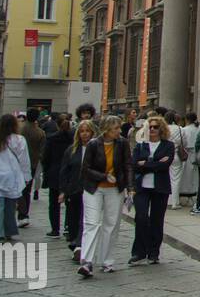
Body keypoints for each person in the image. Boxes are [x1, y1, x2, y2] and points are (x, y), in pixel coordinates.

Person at [79, 115, 132, 278]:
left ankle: (107, 260)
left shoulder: (122, 143)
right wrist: (103, 176)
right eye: (116, 128)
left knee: (111, 224)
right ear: (107, 130)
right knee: (92, 223)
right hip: (93, 188)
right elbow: (85, 168)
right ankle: (87, 261)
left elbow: (128, 165)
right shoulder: (94, 144)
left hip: (115, 188)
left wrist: (130, 188)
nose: (119, 131)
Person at [129, 115, 175, 266]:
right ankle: (139, 252)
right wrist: (155, 162)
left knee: (157, 220)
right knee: (141, 218)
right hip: (141, 187)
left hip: (160, 188)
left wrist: (146, 163)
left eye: (156, 127)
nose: (153, 129)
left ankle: (154, 252)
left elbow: (165, 165)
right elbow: (135, 165)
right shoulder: (140, 145)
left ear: (161, 129)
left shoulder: (168, 145)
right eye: (150, 127)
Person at [0, 114, 30, 243]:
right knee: (10, 207)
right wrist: (26, 176)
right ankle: (8, 231)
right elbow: (24, 160)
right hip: (12, 176)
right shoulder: (19, 139)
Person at [59, 119, 96, 260]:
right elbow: (64, 170)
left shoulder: (97, 148)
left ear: (92, 132)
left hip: (91, 189)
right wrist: (62, 190)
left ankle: (81, 246)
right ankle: (75, 242)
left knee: (85, 218)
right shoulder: (72, 150)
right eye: (82, 131)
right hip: (74, 189)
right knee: (73, 219)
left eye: (87, 131)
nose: (84, 134)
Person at [41, 115, 73, 238]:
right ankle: (68, 227)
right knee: (70, 203)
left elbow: (45, 158)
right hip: (70, 173)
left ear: (56, 125)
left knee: (54, 203)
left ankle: (55, 229)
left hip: (55, 172)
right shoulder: (73, 138)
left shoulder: (51, 138)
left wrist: (46, 170)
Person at [16, 110, 45, 228]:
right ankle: (24, 215)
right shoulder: (40, 132)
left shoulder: (19, 128)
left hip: (17, 163)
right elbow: (42, 150)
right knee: (26, 190)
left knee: (16, 190)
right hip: (32, 164)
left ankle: (19, 214)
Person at [176, 112, 200, 210]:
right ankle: (194, 193)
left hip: (187, 153)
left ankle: (185, 193)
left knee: (186, 175)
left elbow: (184, 142)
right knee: (195, 175)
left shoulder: (184, 129)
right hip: (197, 153)